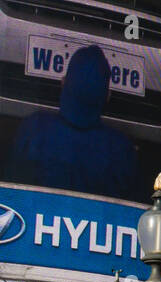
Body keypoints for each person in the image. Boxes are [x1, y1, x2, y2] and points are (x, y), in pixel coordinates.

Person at [6, 43, 140, 198]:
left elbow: (11, 195)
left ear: (63, 83)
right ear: (107, 96)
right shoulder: (121, 151)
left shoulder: (33, 129)